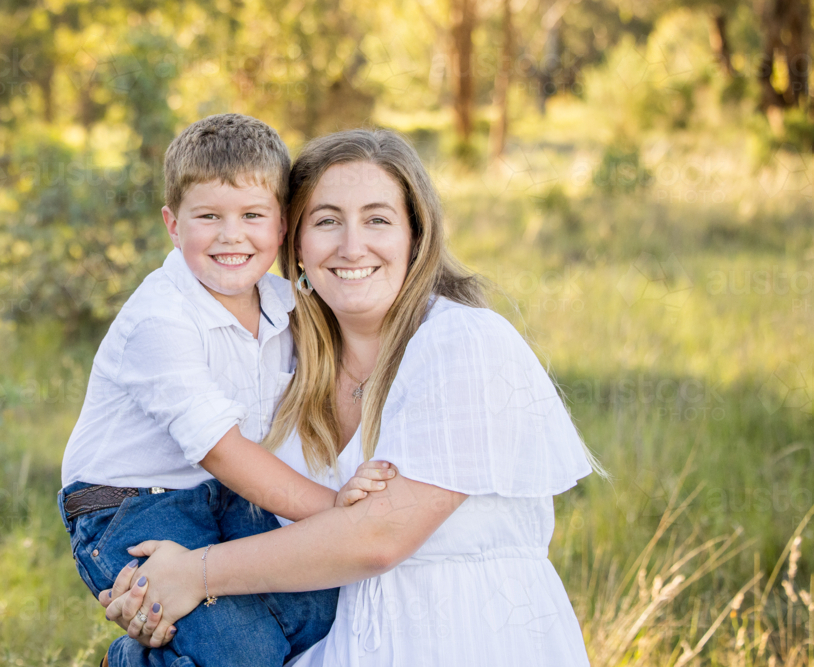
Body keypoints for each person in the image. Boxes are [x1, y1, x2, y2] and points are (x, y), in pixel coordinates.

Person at [101, 128, 601, 666]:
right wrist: (151, 597)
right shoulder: (287, 366)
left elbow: (378, 536)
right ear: (295, 242)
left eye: (378, 220)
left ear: (416, 235)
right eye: (327, 221)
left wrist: (196, 575)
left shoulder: (465, 342)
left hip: (468, 641)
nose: (351, 246)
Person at [57, 115, 393, 667]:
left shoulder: (287, 303)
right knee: (240, 648)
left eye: (252, 216)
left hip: (226, 492)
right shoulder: (160, 319)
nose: (231, 235)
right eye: (208, 216)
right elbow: (223, 449)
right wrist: (335, 512)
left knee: (323, 601)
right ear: (172, 223)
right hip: (128, 503)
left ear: (283, 225)